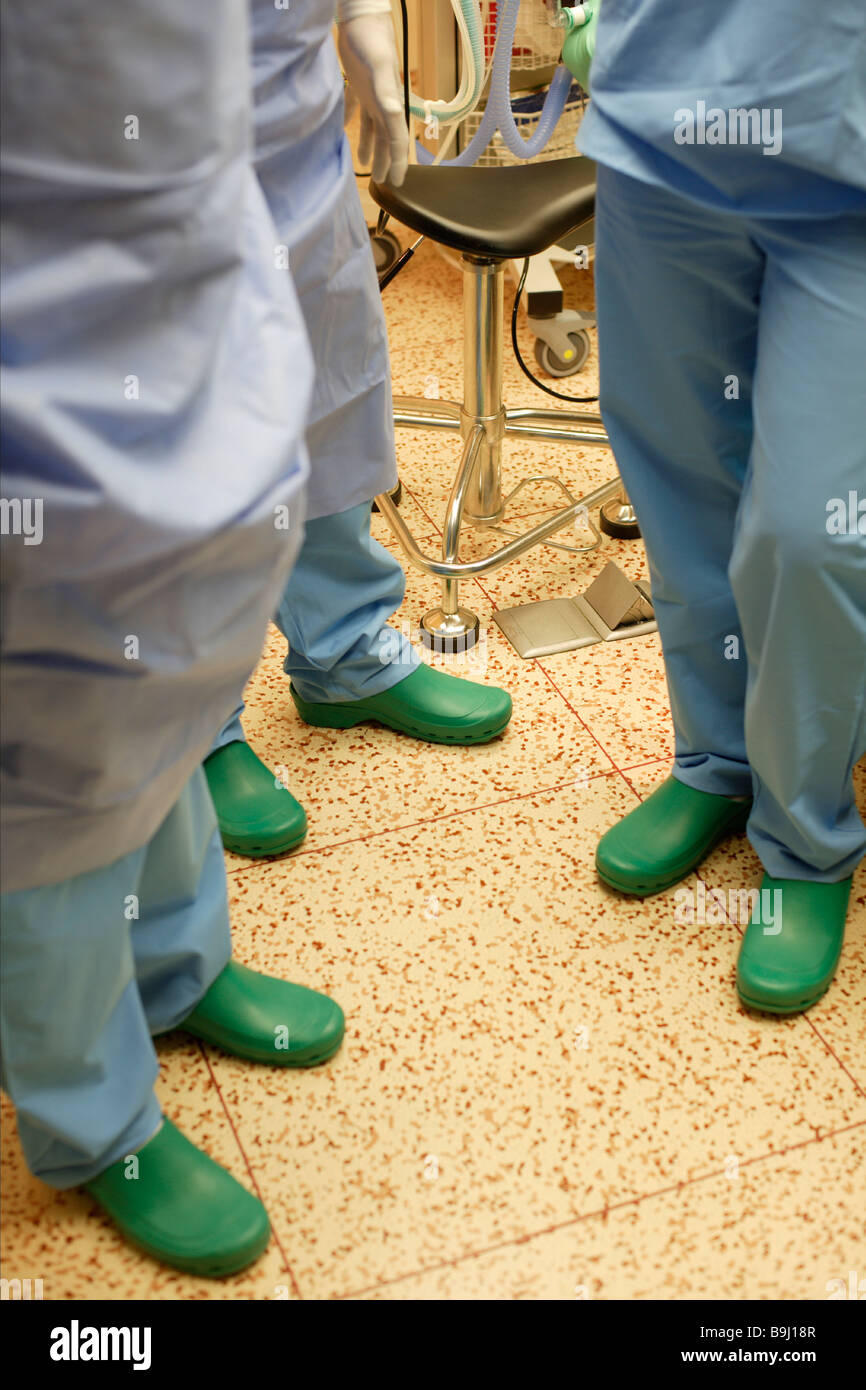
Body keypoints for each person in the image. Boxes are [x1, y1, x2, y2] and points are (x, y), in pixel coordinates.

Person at [0, 0, 358, 1276]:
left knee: (158, 652)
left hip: (169, 203)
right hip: (29, 264)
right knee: (47, 725)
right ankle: (94, 1114)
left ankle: (175, 964)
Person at [565, 0, 866, 1014]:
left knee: (810, 530)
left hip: (846, 149)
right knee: (679, 476)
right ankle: (716, 758)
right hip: (661, 130)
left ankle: (804, 831)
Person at [202, 0, 513, 861]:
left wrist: (365, 20)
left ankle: (344, 654)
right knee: (195, 438)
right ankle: (192, 727)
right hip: (147, 153)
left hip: (298, 135)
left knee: (332, 391)